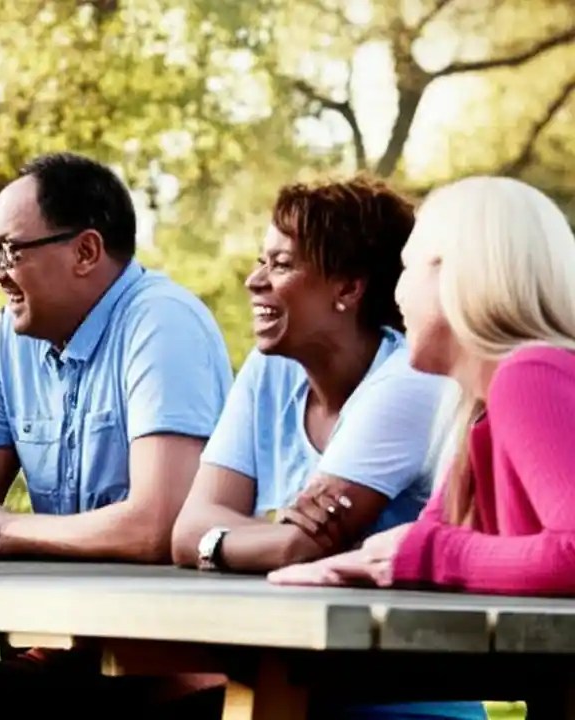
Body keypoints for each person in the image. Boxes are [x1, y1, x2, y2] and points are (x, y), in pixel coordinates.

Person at [0, 152, 233, 714]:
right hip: (69, 657)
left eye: (10, 250)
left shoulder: (162, 323)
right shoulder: (5, 342)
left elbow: (159, 527)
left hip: (176, 670)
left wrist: (2, 531)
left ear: (85, 251)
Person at [170, 176, 484, 719]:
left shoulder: (409, 380)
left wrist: (230, 540)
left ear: (348, 288)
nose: (254, 281)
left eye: (281, 264)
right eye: (260, 261)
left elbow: (297, 550)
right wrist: (270, 535)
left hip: (403, 703)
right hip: (293, 686)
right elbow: (187, 529)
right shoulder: (269, 371)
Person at [270, 176, 575, 598]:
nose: (396, 293)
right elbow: (430, 537)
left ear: (456, 273)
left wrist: (425, 553)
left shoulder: (531, 375)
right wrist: (355, 564)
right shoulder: (475, 405)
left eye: (407, 268)